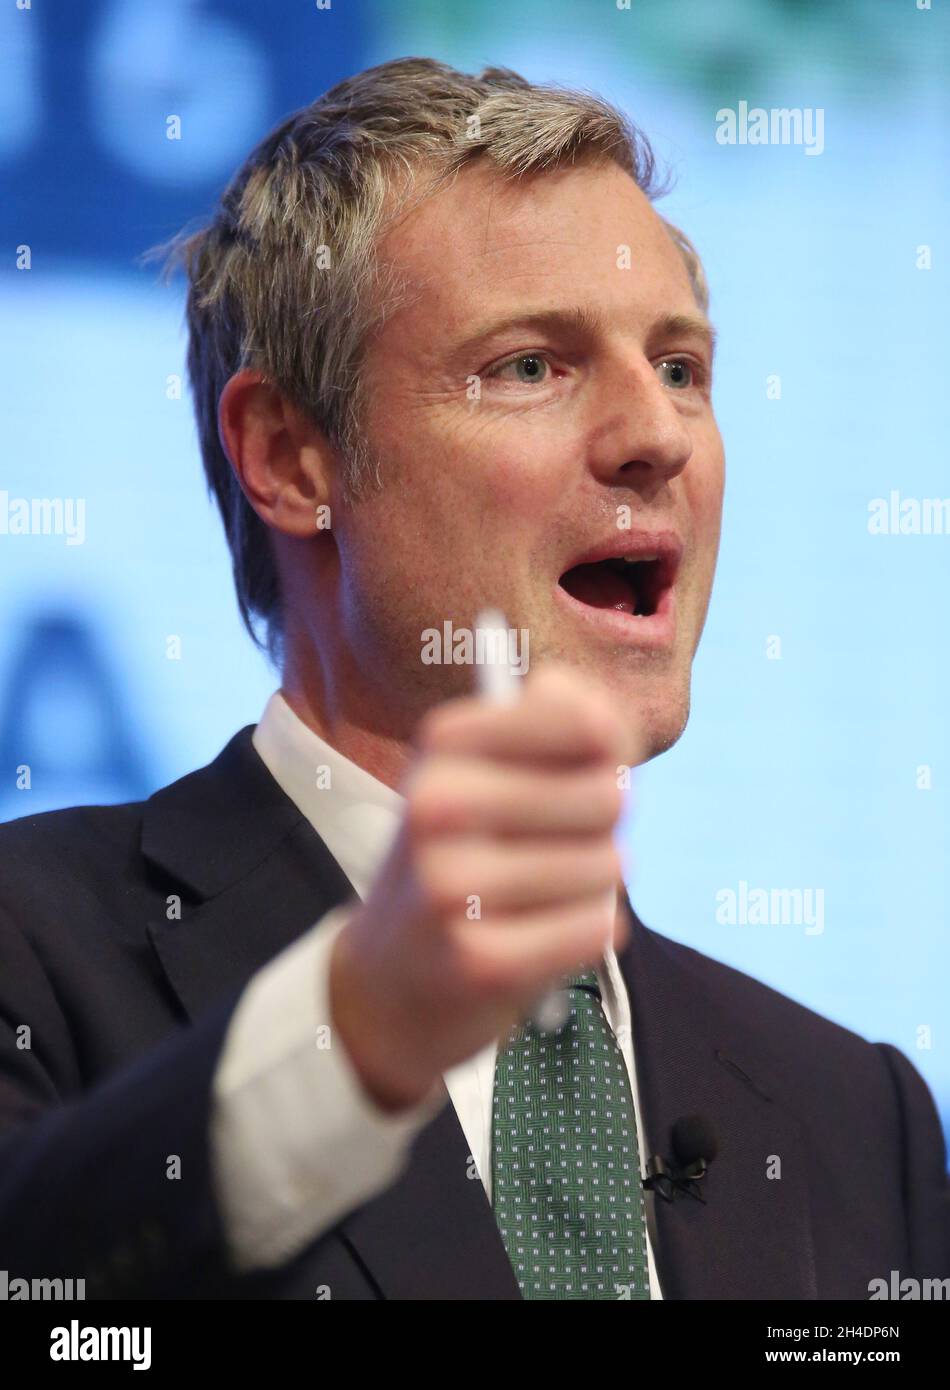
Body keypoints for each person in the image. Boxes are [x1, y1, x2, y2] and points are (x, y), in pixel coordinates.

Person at [0, 57, 946, 1302]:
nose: (655, 435)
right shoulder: (36, 950)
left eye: (677, 367)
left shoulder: (852, 1116)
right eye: (529, 366)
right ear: (289, 456)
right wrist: (358, 1036)